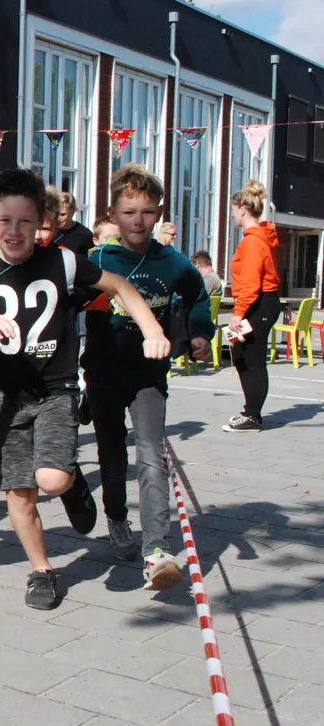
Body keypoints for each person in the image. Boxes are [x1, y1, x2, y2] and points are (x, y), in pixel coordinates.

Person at [0, 168, 170, 610]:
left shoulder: (63, 262)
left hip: (56, 389)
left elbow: (119, 285)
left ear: (41, 222)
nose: (14, 231)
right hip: (4, 396)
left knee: (51, 478)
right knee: (19, 492)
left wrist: (152, 330)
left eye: (25, 221)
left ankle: (69, 481)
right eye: (5, 221)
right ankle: (41, 571)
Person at [82, 164, 213, 590]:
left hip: (149, 377)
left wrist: (200, 333)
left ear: (159, 213)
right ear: (112, 215)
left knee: (152, 456)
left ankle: (156, 549)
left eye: (147, 212)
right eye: (129, 212)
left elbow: (198, 297)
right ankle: (117, 517)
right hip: (103, 375)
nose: (138, 221)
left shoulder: (172, 262)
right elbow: (66, 301)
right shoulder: (99, 261)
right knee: (112, 456)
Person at [223, 181, 280, 433]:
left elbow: (250, 282)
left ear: (243, 209)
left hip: (259, 303)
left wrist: (238, 313)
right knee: (239, 352)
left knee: (252, 358)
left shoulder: (253, 243)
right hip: (260, 302)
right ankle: (251, 411)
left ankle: (252, 415)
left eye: (233, 210)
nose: (232, 215)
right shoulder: (256, 238)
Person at [51, 192, 95, 256]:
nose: (58, 218)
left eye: (62, 214)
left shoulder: (85, 235)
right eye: (56, 214)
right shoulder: (48, 230)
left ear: (72, 212)